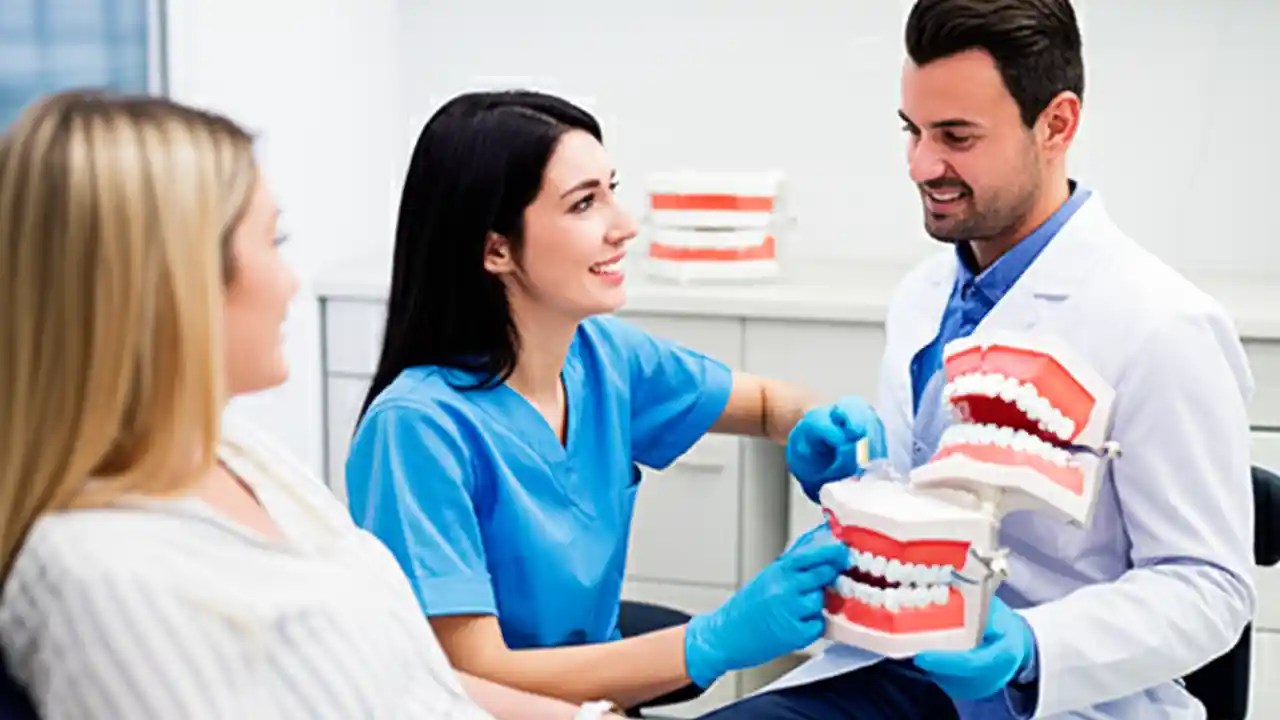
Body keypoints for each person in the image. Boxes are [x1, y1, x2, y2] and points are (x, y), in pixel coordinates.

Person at [0, 90, 632, 720]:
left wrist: (585, 719)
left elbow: (410, 678)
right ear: (173, 282)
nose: (291, 282)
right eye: (272, 242)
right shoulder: (101, 575)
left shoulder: (236, 455)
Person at [703, 0, 1257, 718]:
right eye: (913, 131)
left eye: (956, 137)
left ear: (1056, 124)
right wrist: (853, 479)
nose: (921, 165)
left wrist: (1031, 646)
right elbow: (932, 504)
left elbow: (1210, 586)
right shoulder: (923, 294)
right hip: (890, 671)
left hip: (1060, 699)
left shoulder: (1162, 324)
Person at [343, 89, 884, 714]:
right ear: (496, 249)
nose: (624, 225)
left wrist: (810, 423)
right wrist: (711, 641)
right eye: (584, 203)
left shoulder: (601, 357)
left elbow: (765, 403)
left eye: (611, 190)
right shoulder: (417, 430)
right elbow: (475, 677)